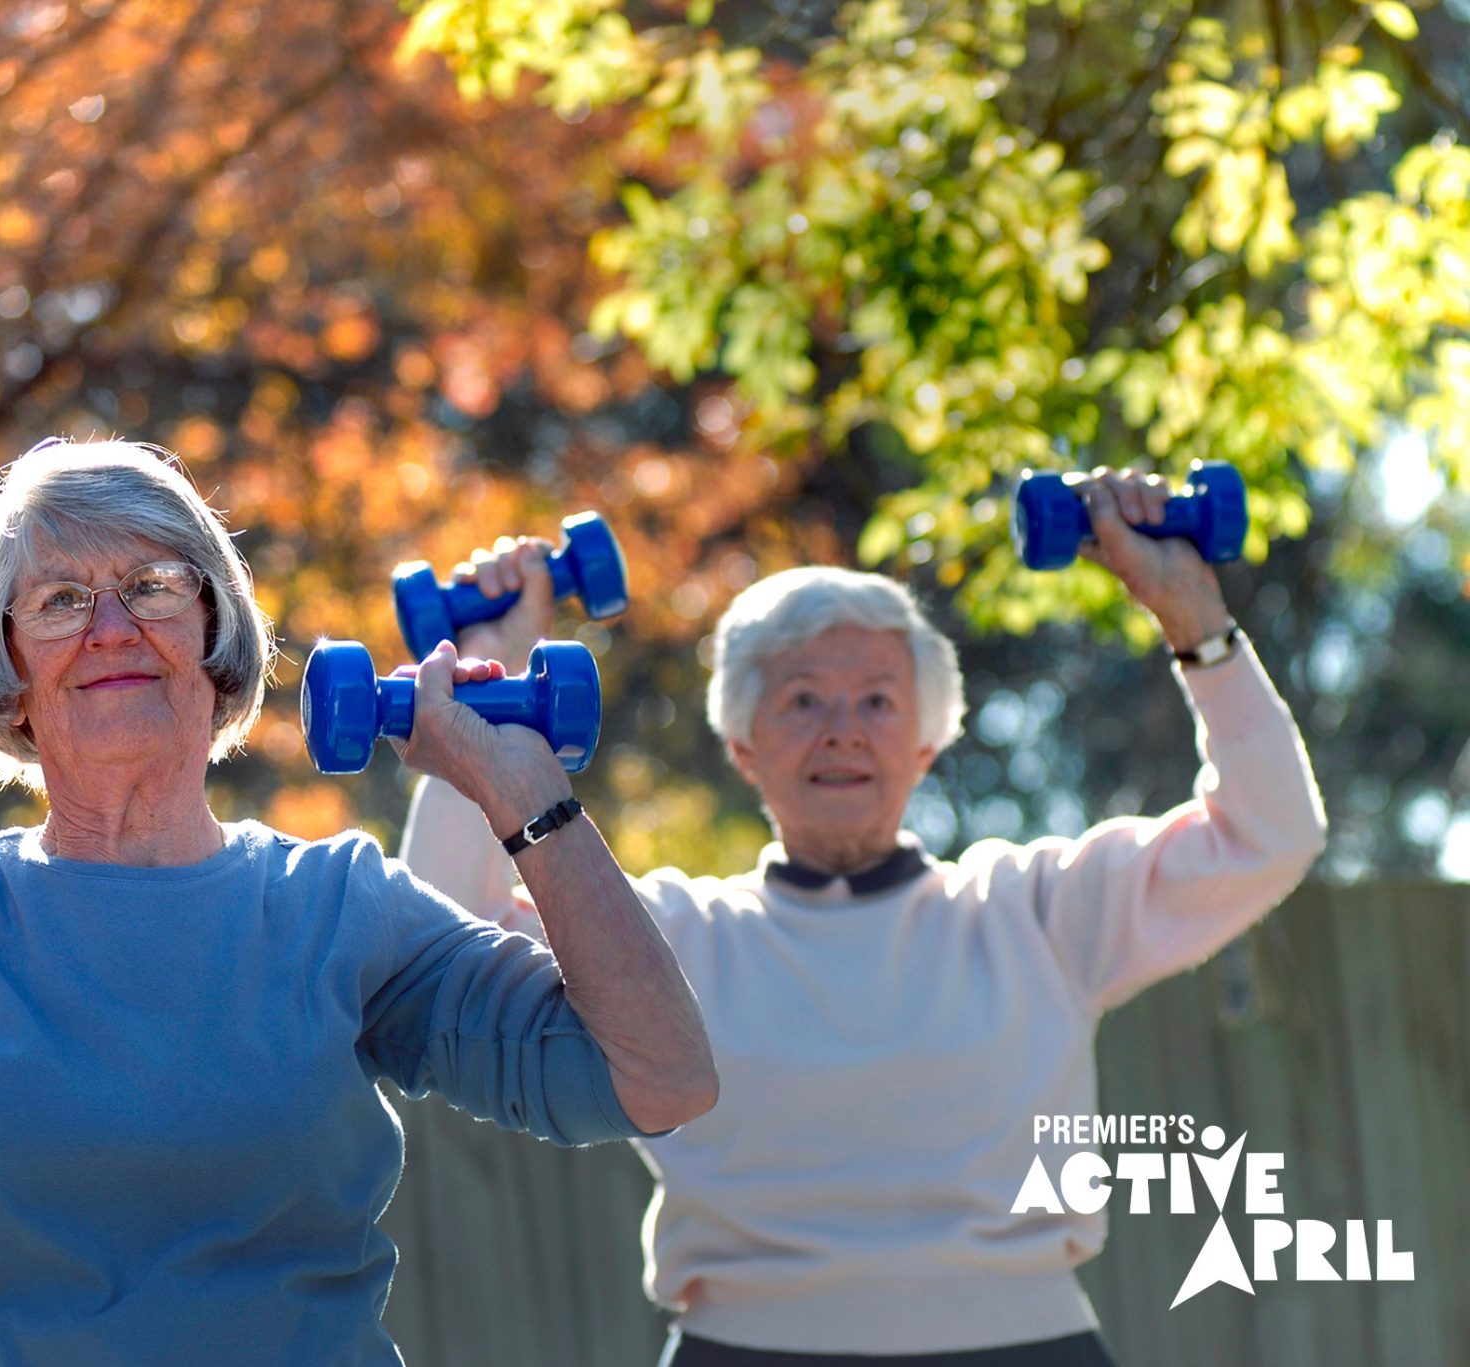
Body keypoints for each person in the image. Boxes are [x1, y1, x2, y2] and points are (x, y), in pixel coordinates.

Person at [0, 437, 717, 1365]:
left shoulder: (337, 907)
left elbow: (658, 1076)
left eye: (154, 587)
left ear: (216, 641)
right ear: (7, 674)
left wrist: (525, 795)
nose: (113, 627)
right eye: (62, 599)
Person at [399, 469, 1328, 1367]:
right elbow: (441, 938)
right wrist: (494, 668)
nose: (842, 729)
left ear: (926, 742)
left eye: (877, 701)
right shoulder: (668, 934)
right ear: (742, 745)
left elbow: (1270, 832)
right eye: (803, 700)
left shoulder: (1037, 908)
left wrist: (1194, 618)